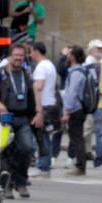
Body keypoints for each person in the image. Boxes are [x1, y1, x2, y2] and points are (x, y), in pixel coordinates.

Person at [0, 43, 36, 197]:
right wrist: (0, 106)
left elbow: (34, 93)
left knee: (26, 149)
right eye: (16, 55)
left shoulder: (27, 74)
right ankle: (6, 185)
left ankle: (21, 182)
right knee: (6, 152)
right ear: (10, 56)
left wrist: (39, 112)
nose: (19, 58)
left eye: (21, 55)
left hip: (23, 117)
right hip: (5, 118)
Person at [61, 45, 91, 176]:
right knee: (77, 137)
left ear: (73, 57)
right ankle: (80, 165)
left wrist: (66, 111)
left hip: (75, 109)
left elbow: (71, 93)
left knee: (77, 138)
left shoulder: (76, 73)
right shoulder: (80, 71)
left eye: (69, 54)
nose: (67, 56)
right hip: (79, 108)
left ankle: (80, 166)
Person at [30, 42, 60, 176]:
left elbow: (39, 86)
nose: (30, 55)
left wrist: (30, 87)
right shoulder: (50, 65)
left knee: (41, 137)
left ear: (36, 51)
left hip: (43, 105)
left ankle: (43, 165)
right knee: (45, 136)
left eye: (30, 51)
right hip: (51, 103)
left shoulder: (41, 67)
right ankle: (45, 165)